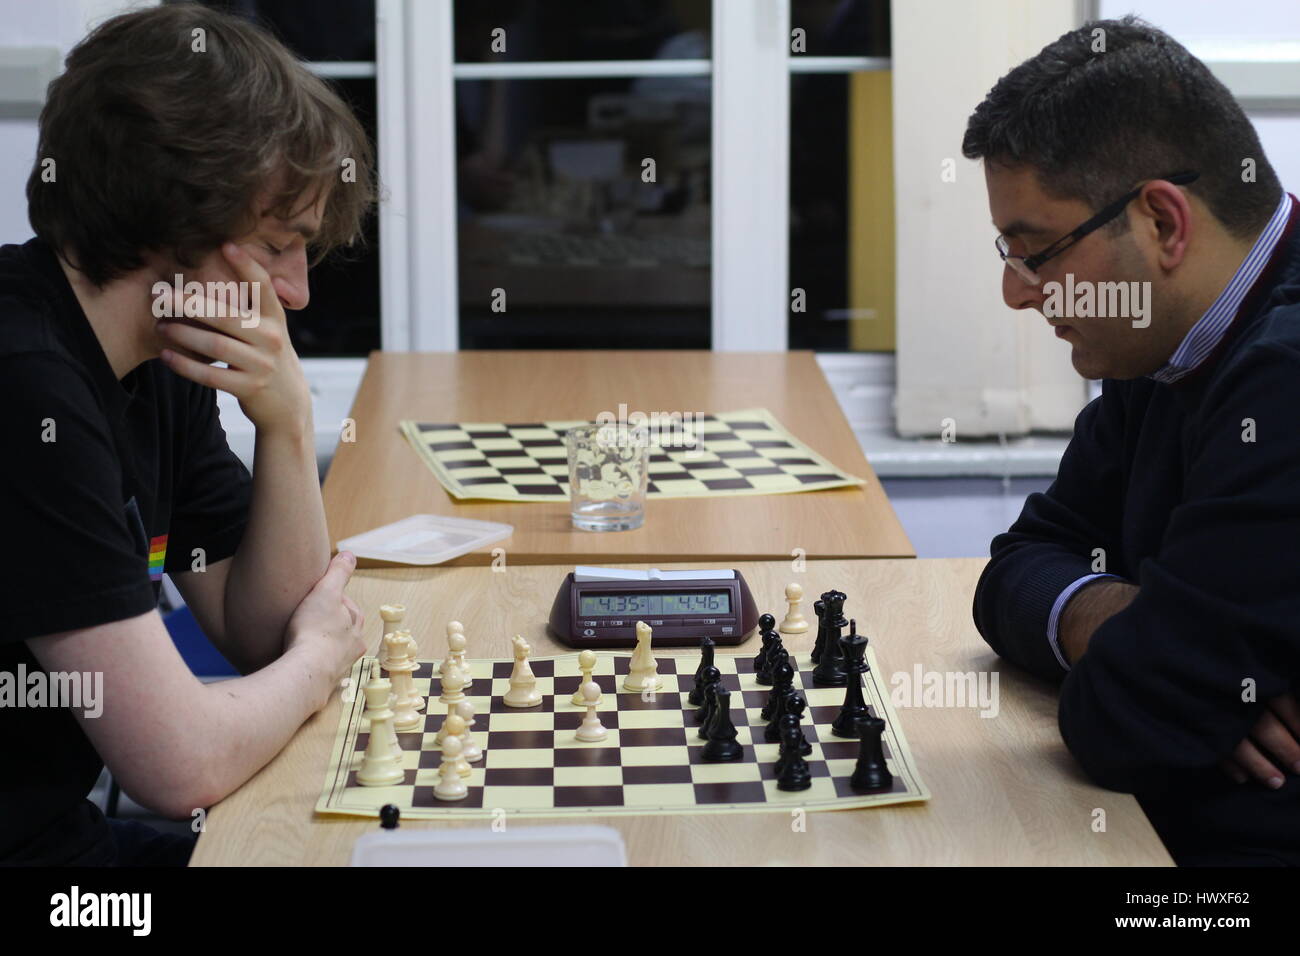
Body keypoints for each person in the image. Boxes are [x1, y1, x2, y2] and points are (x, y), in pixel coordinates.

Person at [1, 4, 375, 865]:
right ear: (173, 222)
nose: (296, 292)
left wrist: (285, 424)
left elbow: (262, 630)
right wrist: (321, 660)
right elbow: (179, 763)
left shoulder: (161, 355)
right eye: (280, 246)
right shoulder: (26, 385)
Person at [966, 17, 1300, 865]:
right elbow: (1018, 564)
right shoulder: (1159, 341)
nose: (1016, 292)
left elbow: (1127, 718)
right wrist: (1125, 618)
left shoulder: (1283, 376)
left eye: (1036, 251)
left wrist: (1168, 677)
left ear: (1161, 222)